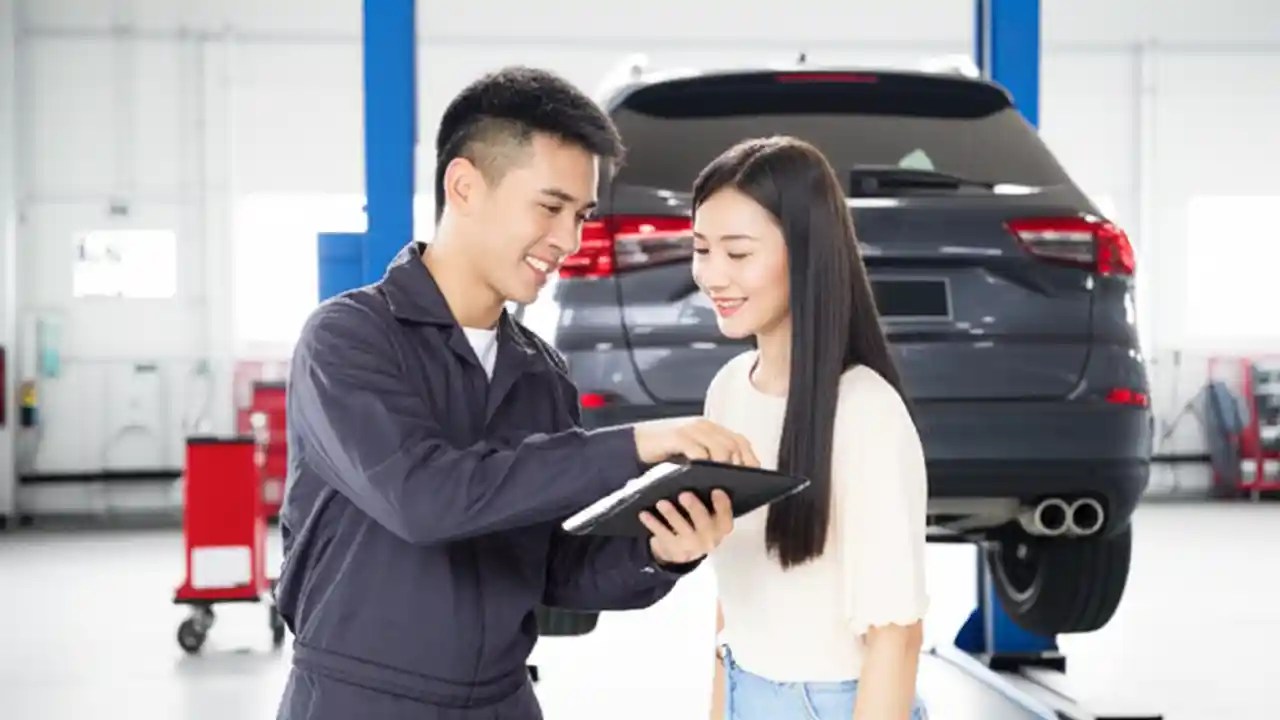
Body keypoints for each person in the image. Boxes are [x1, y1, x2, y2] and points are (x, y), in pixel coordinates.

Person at [272, 66, 759, 720]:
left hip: (503, 701)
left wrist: (660, 553)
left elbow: (553, 569)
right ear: (464, 186)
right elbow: (424, 500)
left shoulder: (542, 374)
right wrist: (639, 443)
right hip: (358, 702)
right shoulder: (349, 340)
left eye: (582, 216)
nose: (569, 241)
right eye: (550, 207)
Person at [691, 136, 931, 720]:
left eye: (738, 253)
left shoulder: (865, 411)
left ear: (805, 253)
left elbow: (895, 637)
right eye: (700, 249)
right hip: (750, 691)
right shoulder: (726, 389)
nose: (711, 276)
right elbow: (734, 602)